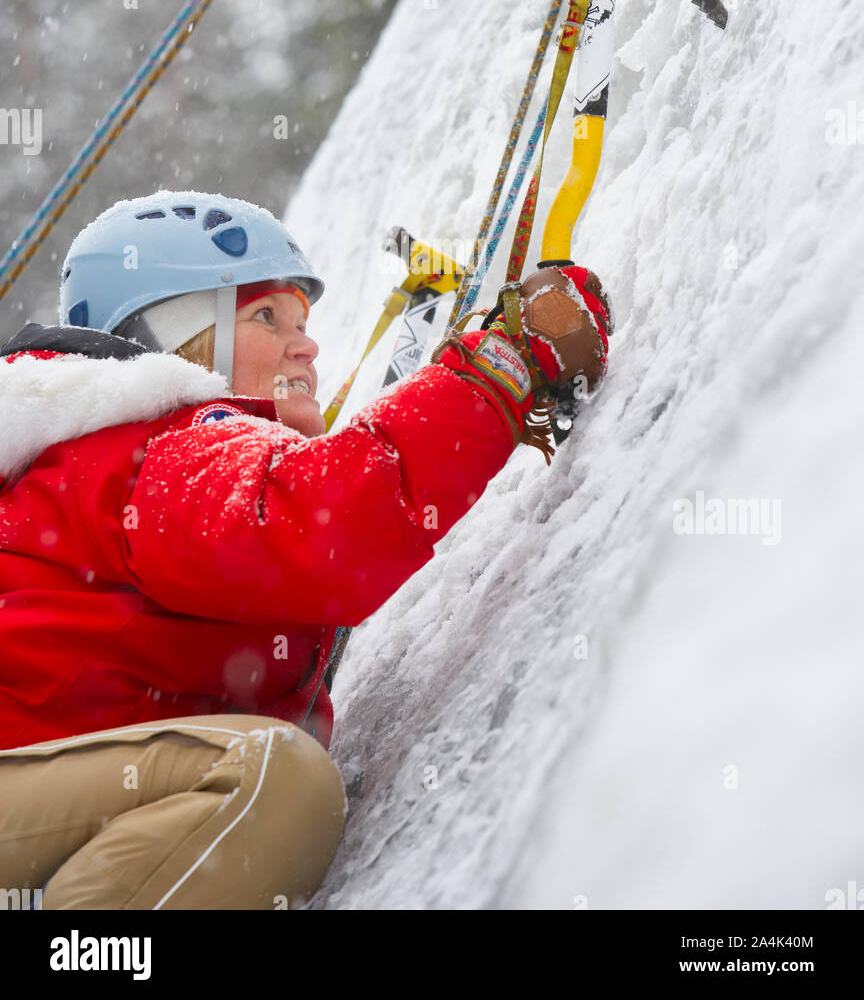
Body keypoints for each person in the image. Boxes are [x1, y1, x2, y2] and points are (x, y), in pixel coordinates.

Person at [0, 189, 612, 910]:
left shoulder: (103, 461)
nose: (306, 344)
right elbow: (318, 525)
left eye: (302, 321)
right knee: (272, 782)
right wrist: (498, 366)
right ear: (180, 339)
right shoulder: (160, 446)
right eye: (266, 317)